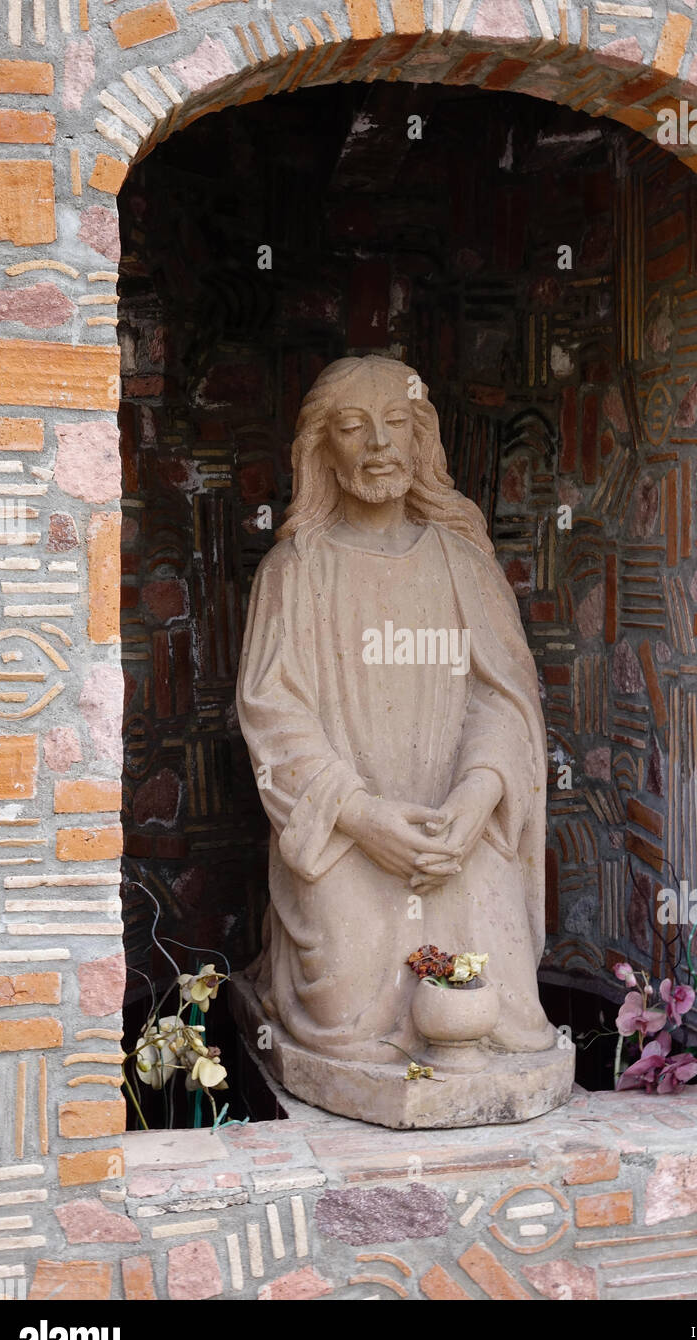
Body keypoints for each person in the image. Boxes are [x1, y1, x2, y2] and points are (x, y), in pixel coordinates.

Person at [236, 355, 557, 1062]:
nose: (379, 444)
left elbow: (503, 700)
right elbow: (274, 717)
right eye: (354, 427)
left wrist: (476, 801)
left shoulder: (462, 563)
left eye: (397, 425)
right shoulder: (296, 573)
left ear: (421, 442)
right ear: (323, 449)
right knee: (349, 1021)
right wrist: (362, 816)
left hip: (457, 832)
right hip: (345, 836)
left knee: (512, 1016)